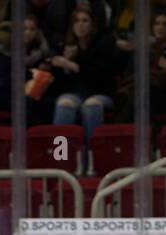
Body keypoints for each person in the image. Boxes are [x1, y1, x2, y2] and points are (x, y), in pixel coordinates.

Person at [49, 5, 122, 141]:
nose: (80, 25)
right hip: (75, 93)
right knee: (64, 103)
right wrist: (62, 65)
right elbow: (59, 84)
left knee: (91, 105)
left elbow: (101, 77)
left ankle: (91, 156)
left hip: (101, 93)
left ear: (93, 24)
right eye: (76, 21)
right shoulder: (66, 45)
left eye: (85, 21)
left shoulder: (104, 44)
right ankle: (62, 157)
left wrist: (74, 66)